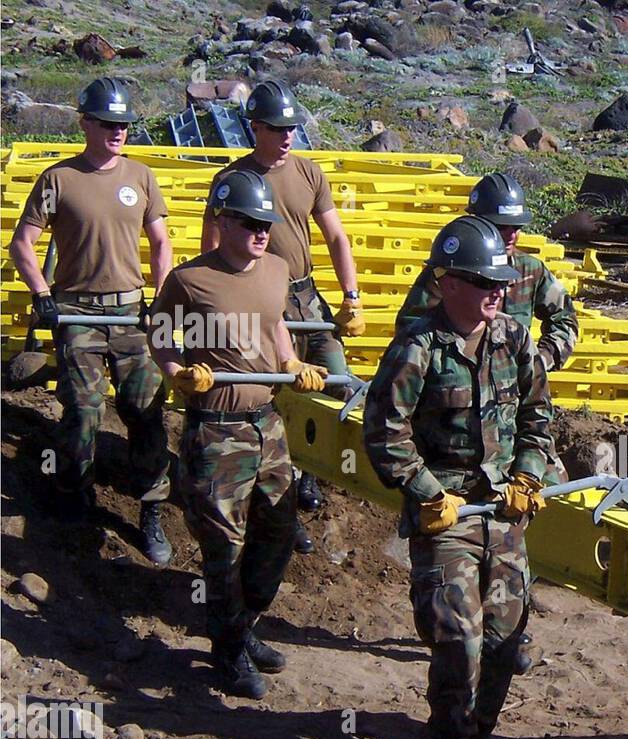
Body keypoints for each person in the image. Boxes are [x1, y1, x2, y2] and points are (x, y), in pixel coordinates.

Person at [363, 215, 552, 739]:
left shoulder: (515, 341)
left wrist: (527, 474)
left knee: (503, 645)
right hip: (445, 520)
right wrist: (423, 490)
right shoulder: (418, 347)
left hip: (503, 517)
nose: (496, 292)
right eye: (480, 281)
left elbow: (538, 418)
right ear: (447, 284)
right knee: (457, 646)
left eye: (499, 281)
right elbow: (384, 431)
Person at [150, 169, 325, 698]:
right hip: (216, 428)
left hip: (267, 425)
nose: (261, 232)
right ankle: (226, 651)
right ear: (222, 222)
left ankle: (245, 626)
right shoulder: (189, 280)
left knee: (277, 531)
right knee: (223, 545)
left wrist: (291, 360)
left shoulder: (276, 268)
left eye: (266, 223)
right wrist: (177, 372)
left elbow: (274, 321)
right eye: (249, 223)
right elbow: (160, 336)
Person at [9, 77, 174, 564]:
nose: (117, 132)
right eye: (107, 123)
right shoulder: (59, 179)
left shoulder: (141, 177)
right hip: (77, 312)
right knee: (82, 410)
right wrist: (41, 293)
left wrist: (162, 296)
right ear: (86, 123)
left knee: (144, 410)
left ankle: (151, 511)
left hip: (130, 313)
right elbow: (23, 244)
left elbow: (161, 242)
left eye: (123, 124)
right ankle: (75, 496)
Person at [201, 79, 363, 554]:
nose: (288, 135)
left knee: (333, 379)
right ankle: (279, 489)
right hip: (260, 297)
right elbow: (212, 246)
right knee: (277, 390)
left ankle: (313, 474)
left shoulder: (310, 174)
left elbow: (335, 236)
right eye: (278, 128)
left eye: (292, 127)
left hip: (307, 294)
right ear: (255, 128)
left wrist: (351, 295)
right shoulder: (234, 180)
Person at [397, 172, 578, 377]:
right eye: (501, 227)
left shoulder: (531, 271)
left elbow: (564, 319)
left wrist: (538, 361)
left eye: (517, 227)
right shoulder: (449, 271)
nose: (512, 235)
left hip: (510, 394)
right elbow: (409, 329)